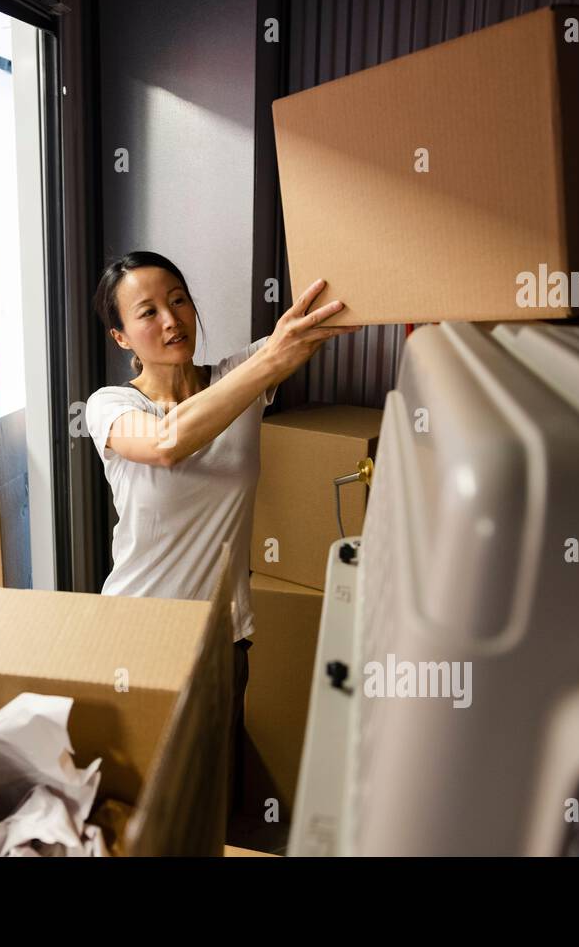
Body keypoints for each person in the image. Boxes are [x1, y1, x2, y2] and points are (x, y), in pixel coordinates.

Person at [83, 250, 357, 816]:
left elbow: (337, 310)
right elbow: (165, 443)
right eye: (148, 312)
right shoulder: (110, 406)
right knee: (143, 805)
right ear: (121, 337)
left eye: (178, 299)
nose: (171, 320)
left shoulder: (239, 377)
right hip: (137, 631)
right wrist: (269, 363)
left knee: (212, 799)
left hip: (223, 637)